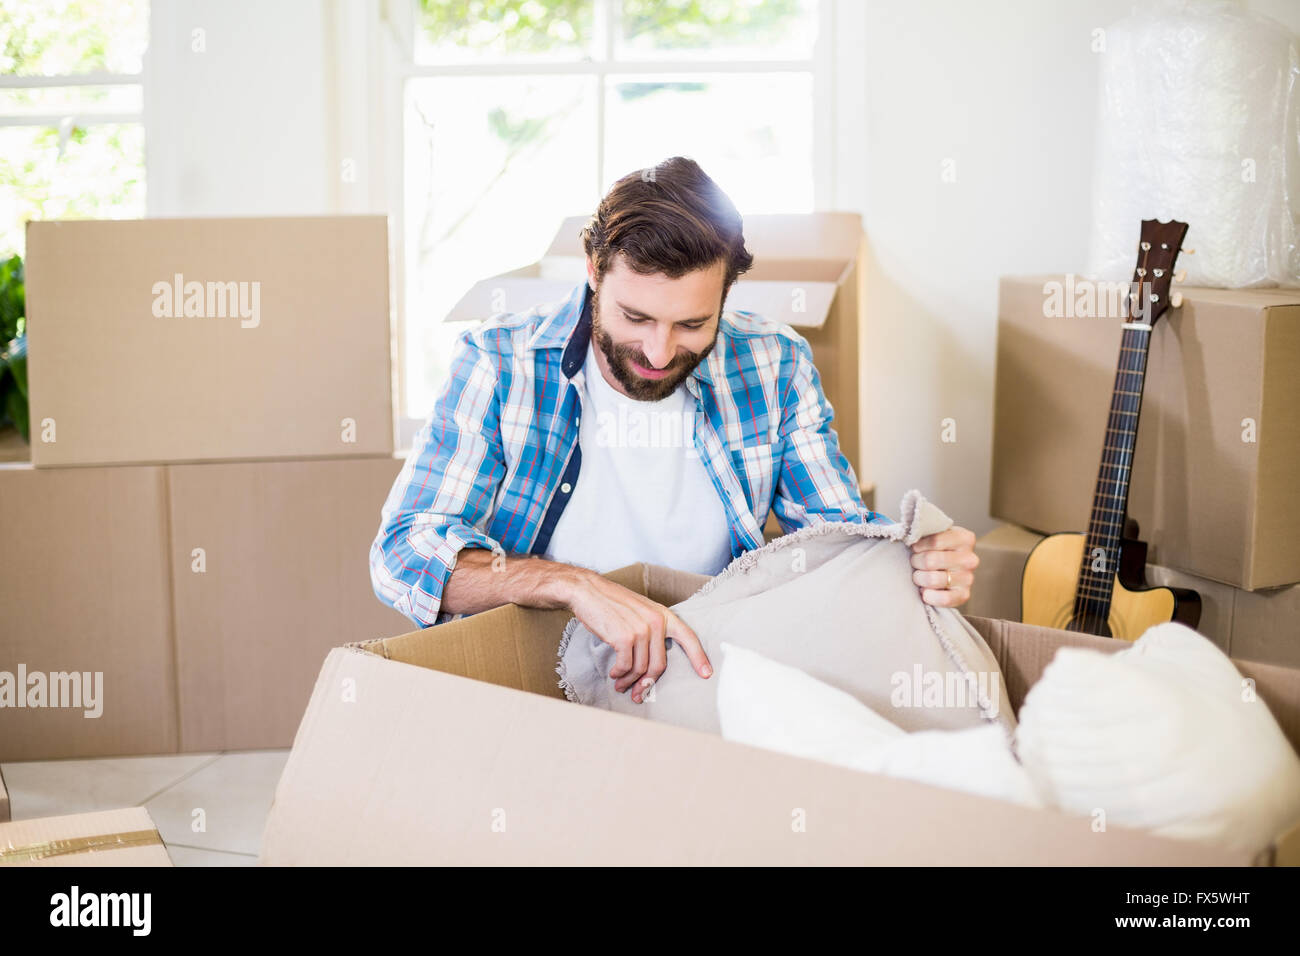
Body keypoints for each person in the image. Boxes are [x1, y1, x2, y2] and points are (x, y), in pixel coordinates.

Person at [370, 156, 979, 704]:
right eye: (635, 317)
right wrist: (571, 586)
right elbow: (402, 552)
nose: (660, 352)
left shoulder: (774, 363)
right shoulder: (501, 360)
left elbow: (831, 539)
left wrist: (910, 559)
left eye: (692, 323)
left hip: (705, 667)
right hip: (536, 669)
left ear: (727, 293)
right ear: (592, 272)